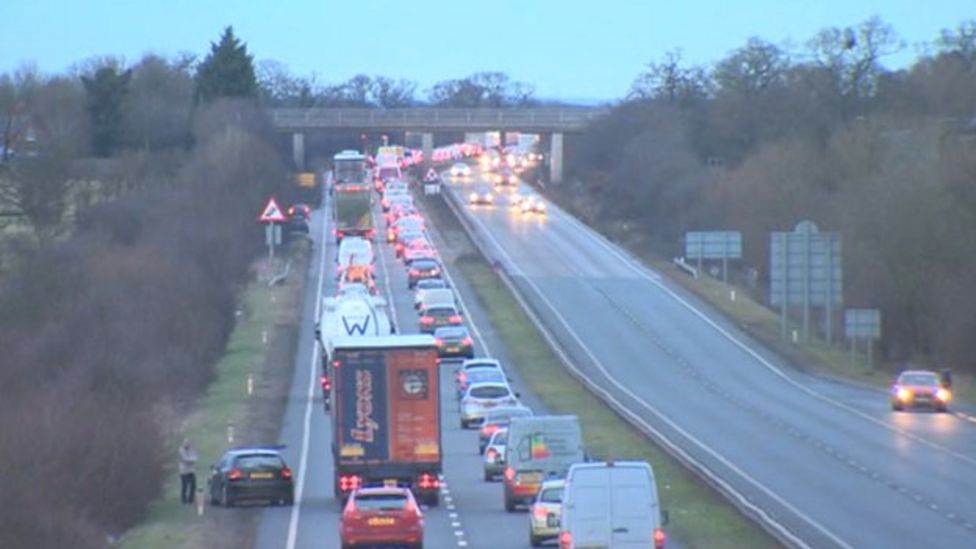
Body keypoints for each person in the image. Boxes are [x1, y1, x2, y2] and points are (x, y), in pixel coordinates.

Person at [179, 438, 198, 504]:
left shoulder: (192, 450)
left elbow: (195, 458)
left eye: (188, 443)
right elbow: (185, 459)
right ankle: (184, 500)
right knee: (185, 486)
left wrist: (190, 460)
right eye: (186, 443)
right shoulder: (181, 450)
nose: (187, 444)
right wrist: (191, 459)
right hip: (184, 471)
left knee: (193, 485)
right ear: (183, 443)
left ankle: (191, 499)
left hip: (191, 471)